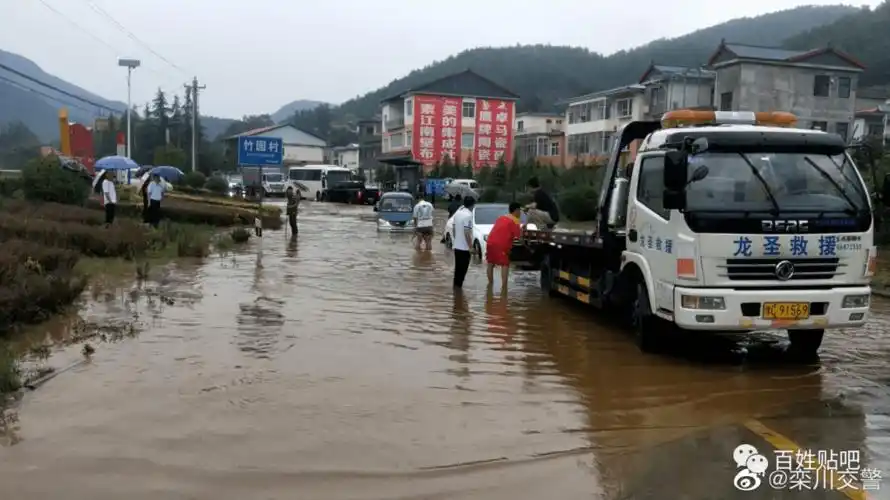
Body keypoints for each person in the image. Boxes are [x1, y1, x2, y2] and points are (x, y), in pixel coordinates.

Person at [485, 202, 522, 290]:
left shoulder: (501, 217)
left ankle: (490, 286)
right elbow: (519, 236)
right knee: (505, 264)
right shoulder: (515, 220)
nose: (520, 213)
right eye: (520, 211)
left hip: (490, 242)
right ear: (516, 210)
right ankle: (504, 289)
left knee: (490, 263)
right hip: (501, 245)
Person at [451, 196, 475, 289]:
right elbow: (467, 232)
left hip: (457, 247)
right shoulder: (468, 215)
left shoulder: (458, 213)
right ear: (472, 205)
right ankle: (458, 294)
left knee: (457, 271)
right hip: (464, 249)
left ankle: (456, 294)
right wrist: (470, 247)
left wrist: (456, 239)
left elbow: (453, 228)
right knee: (462, 272)